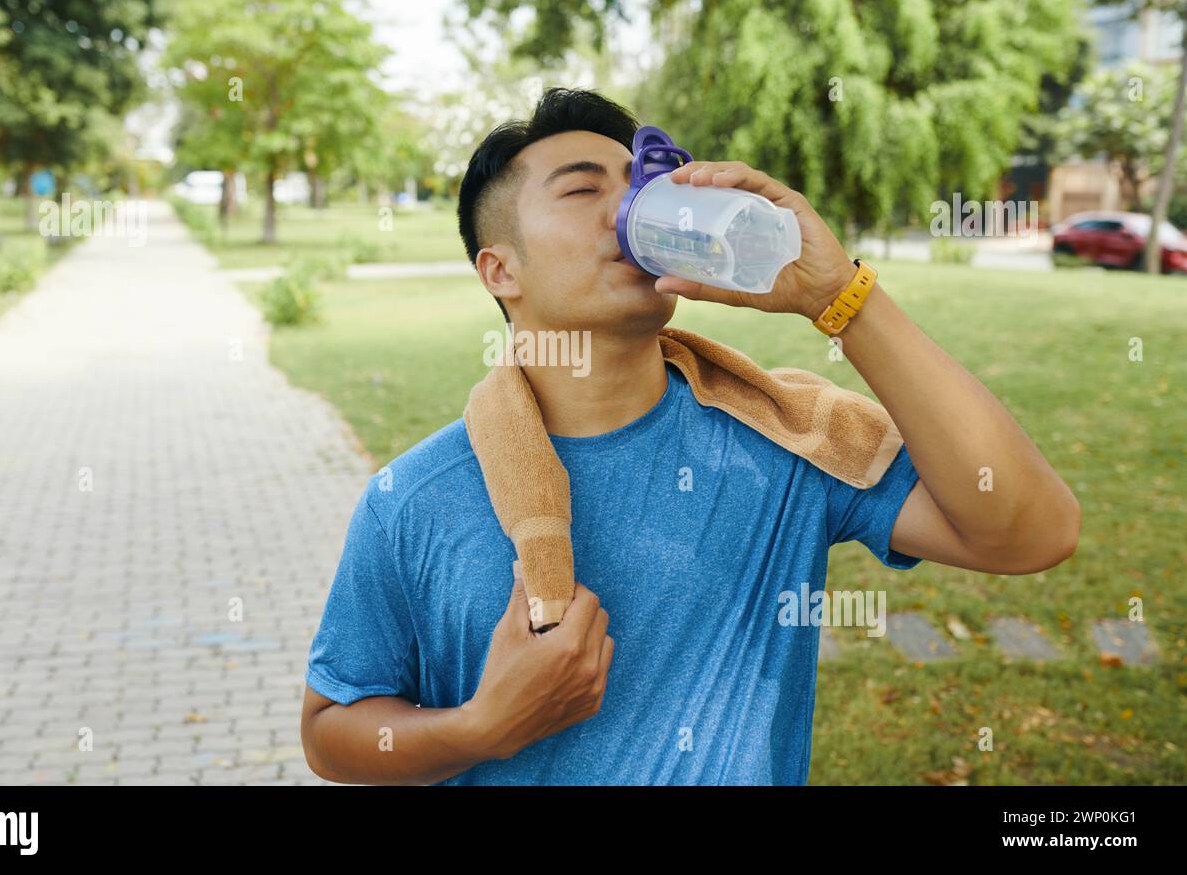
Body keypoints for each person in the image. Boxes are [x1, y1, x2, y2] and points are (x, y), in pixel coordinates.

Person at [299, 87, 1081, 785]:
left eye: (638, 185)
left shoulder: (786, 440)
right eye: (582, 190)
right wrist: (482, 729)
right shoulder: (415, 499)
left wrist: (842, 296)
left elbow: (1031, 533)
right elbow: (330, 733)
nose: (629, 208)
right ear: (501, 271)